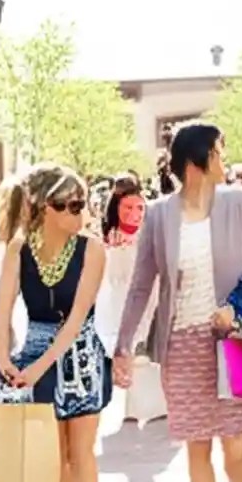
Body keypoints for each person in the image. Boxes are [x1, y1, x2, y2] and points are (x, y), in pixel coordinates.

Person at [114, 121, 242, 482]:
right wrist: (124, 344)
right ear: (197, 161)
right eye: (219, 153)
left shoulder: (241, 204)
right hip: (181, 344)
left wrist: (234, 309)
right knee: (198, 445)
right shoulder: (161, 216)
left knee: (238, 442)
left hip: (234, 340)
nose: (225, 161)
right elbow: (143, 283)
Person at [0, 164, 109, 482]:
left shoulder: (92, 249)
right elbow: (2, 310)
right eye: (68, 204)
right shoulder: (18, 250)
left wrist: (36, 368)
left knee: (81, 453)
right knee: (55, 458)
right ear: (44, 207)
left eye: (82, 203)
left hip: (79, 358)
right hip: (36, 354)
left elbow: (78, 319)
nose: (78, 212)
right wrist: (2, 357)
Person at [95, 175, 162, 422]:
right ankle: (134, 404)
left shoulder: (152, 234)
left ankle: (153, 403)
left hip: (151, 296)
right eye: (128, 208)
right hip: (120, 300)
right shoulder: (108, 240)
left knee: (149, 349)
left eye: (139, 208)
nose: (135, 213)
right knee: (129, 347)